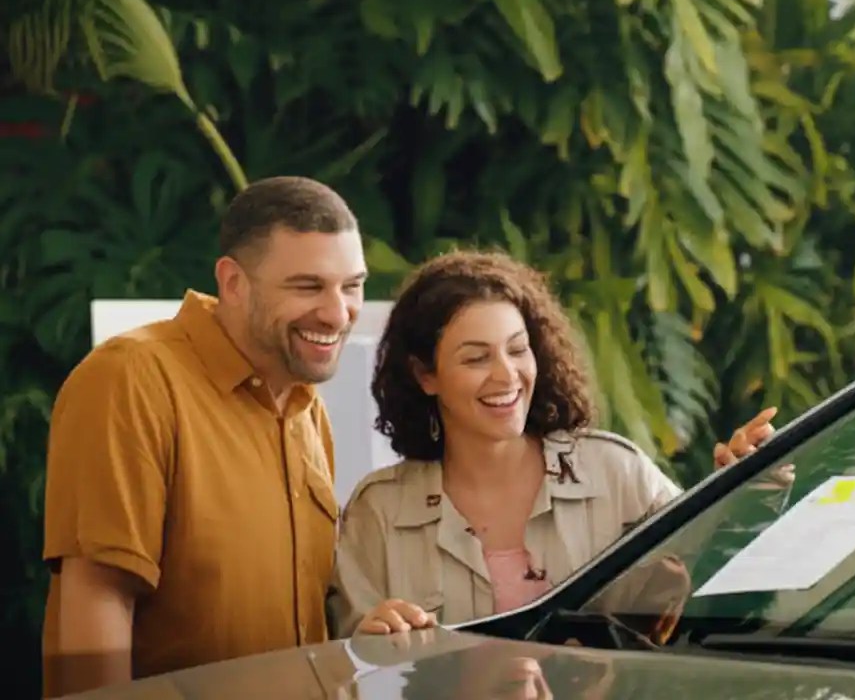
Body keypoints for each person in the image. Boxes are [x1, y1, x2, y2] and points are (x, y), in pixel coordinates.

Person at [326, 250, 778, 637]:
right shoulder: (380, 512)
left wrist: (743, 497)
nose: (507, 375)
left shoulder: (616, 473)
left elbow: (710, 594)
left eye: (518, 350)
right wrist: (371, 643)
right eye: (477, 357)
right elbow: (348, 665)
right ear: (426, 375)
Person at [40, 176, 368, 697]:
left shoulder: (307, 409)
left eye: (352, 285)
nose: (337, 312)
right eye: (307, 286)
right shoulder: (131, 377)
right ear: (233, 282)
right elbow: (98, 602)